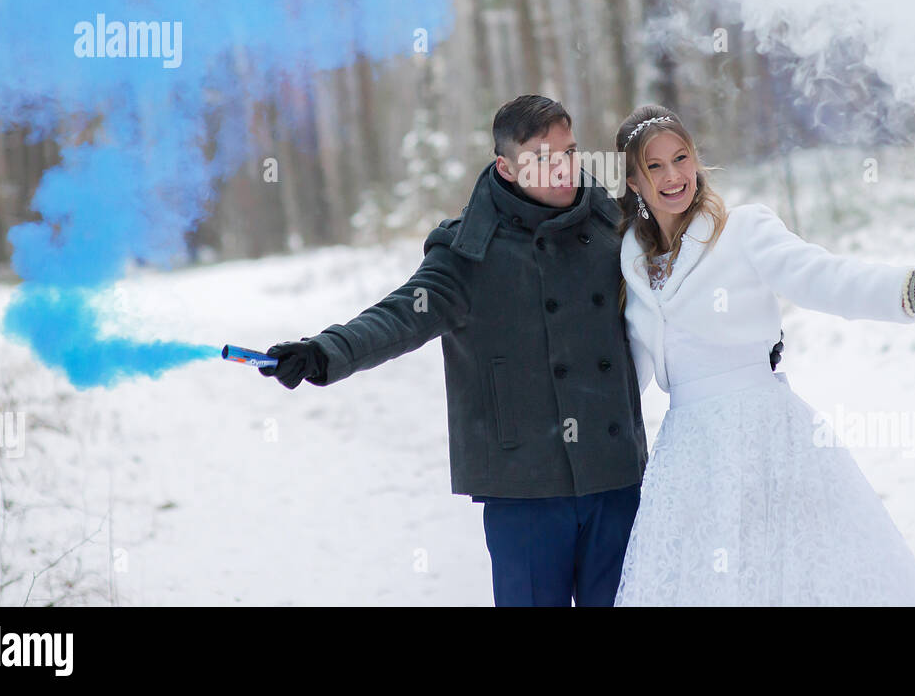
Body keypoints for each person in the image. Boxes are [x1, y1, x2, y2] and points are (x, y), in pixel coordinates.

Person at [258, 95, 648, 606]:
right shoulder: (469, 252)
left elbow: (680, 280)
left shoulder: (612, 224)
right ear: (506, 168)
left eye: (569, 152)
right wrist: (324, 352)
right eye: (542, 158)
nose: (563, 169)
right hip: (525, 487)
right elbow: (399, 315)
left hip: (614, 477)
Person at [610, 105, 915, 606]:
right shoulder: (634, 266)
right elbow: (623, 375)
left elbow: (825, 278)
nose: (673, 175)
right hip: (688, 455)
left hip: (761, 433)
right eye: (654, 166)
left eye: (681, 158)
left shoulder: (741, 230)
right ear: (633, 181)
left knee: (785, 577)